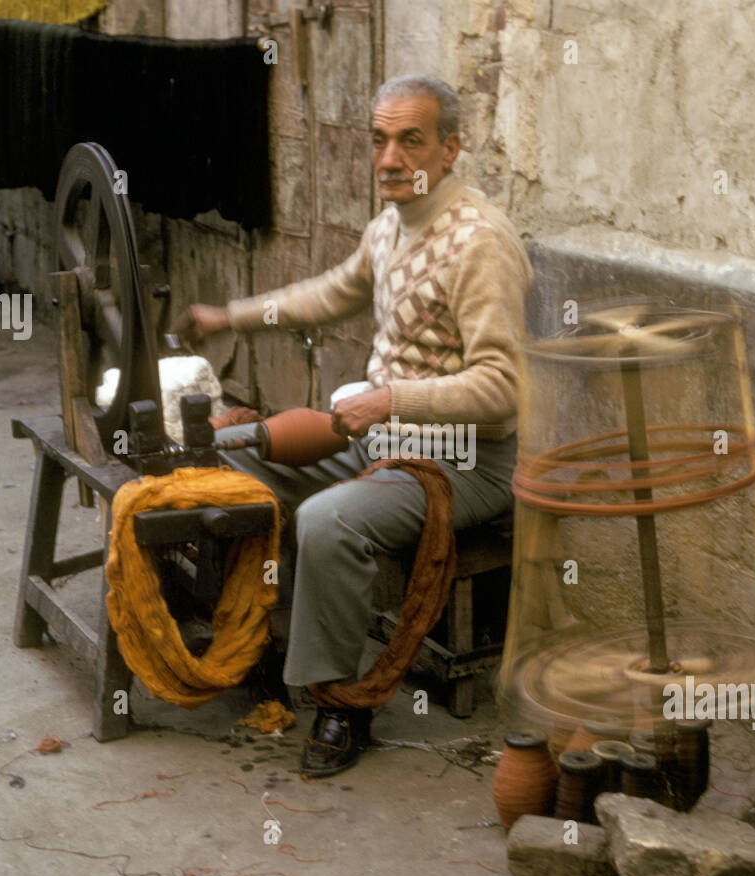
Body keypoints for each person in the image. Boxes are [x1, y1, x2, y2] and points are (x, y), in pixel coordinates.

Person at [180, 74, 532, 777]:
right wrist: (232, 315)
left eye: (411, 140)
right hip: (386, 440)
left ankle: (344, 701)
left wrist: (391, 398)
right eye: (379, 141)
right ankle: (267, 634)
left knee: (330, 521)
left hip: (466, 461)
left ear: (451, 147)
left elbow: (504, 387)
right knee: (224, 455)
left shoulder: (479, 241)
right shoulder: (390, 226)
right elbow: (333, 291)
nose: (390, 159)